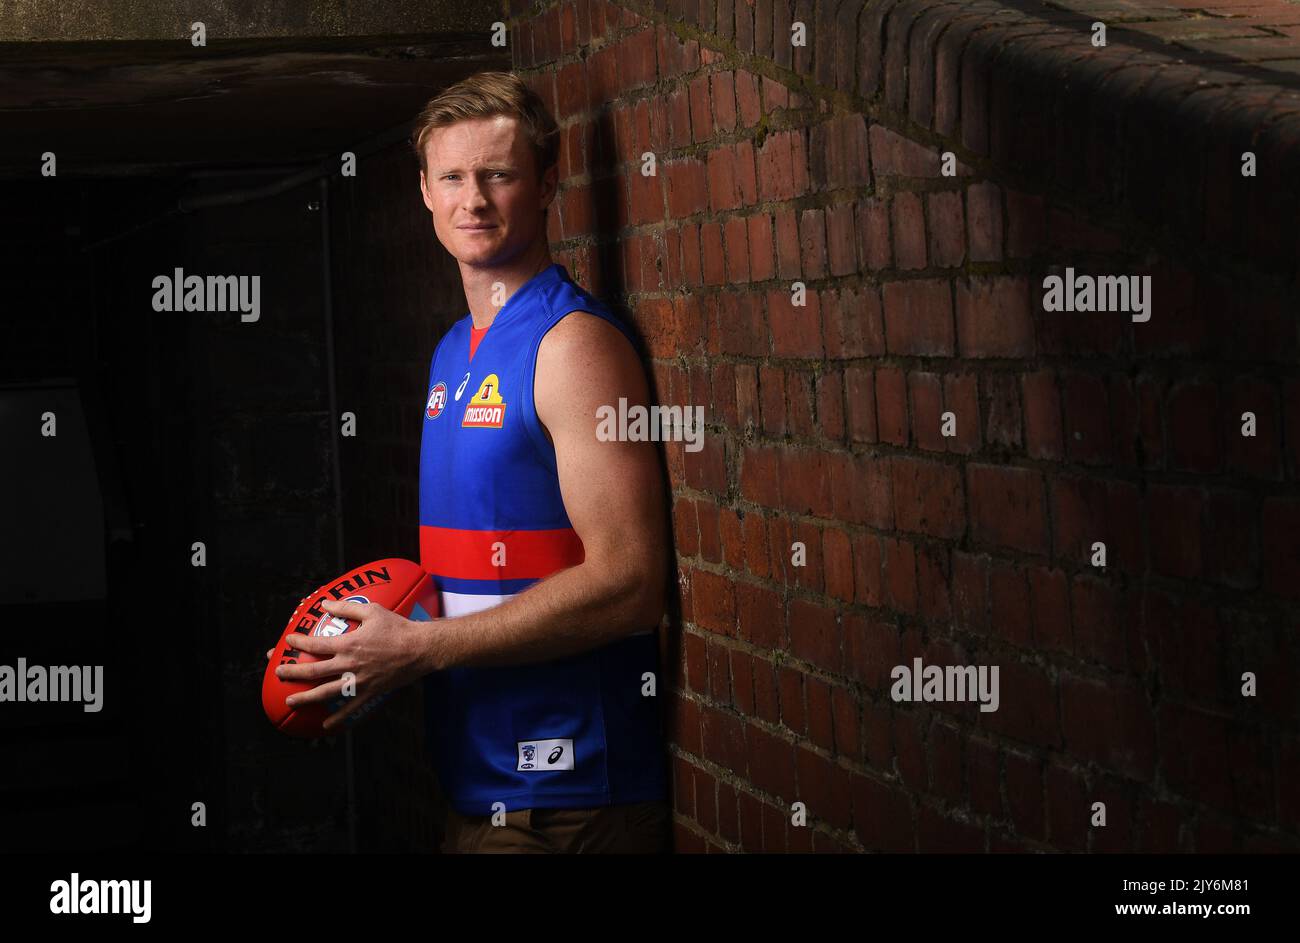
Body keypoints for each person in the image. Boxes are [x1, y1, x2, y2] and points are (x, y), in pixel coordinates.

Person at [271, 71, 671, 853]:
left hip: (568, 797)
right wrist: (338, 644)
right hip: (477, 787)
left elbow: (630, 584)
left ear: (548, 184)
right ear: (424, 191)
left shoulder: (572, 345)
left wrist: (417, 650)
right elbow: (461, 585)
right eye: (452, 176)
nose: (473, 200)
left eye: (499, 174)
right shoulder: (454, 351)